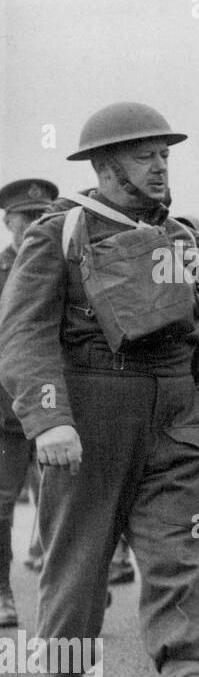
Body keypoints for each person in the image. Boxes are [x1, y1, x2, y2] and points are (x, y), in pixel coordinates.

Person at [0, 101, 199, 677]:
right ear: (106, 166)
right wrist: (49, 419)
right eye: (146, 155)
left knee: (177, 554)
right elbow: (24, 338)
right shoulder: (60, 232)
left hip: (173, 415)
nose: (161, 166)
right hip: (88, 412)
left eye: (165, 154)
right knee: (78, 559)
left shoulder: (185, 238)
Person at [0, 178, 58, 628]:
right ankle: (2, 592)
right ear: (7, 221)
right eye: (27, 217)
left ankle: (63, 594)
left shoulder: (61, 264)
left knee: (64, 502)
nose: (36, 224)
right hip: (4, 412)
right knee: (2, 504)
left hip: (57, 410)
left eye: (43, 216)